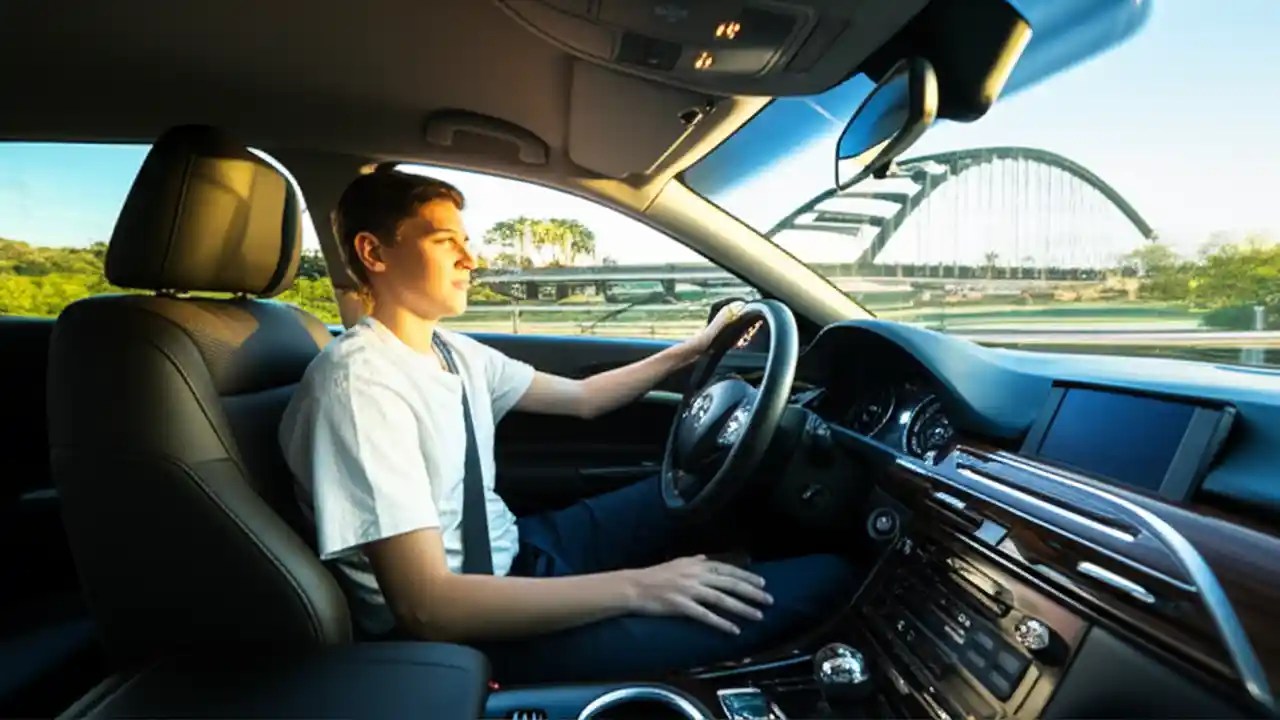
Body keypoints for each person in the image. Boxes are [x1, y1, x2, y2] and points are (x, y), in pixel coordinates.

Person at [279, 169, 859, 683]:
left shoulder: (451, 352)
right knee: (828, 579)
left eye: (466, 241)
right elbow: (428, 606)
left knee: (707, 492)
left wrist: (695, 349)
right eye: (443, 241)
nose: (470, 259)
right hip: (473, 627)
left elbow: (583, 398)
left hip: (522, 552)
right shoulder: (359, 388)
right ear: (374, 254)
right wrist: (643, 587)